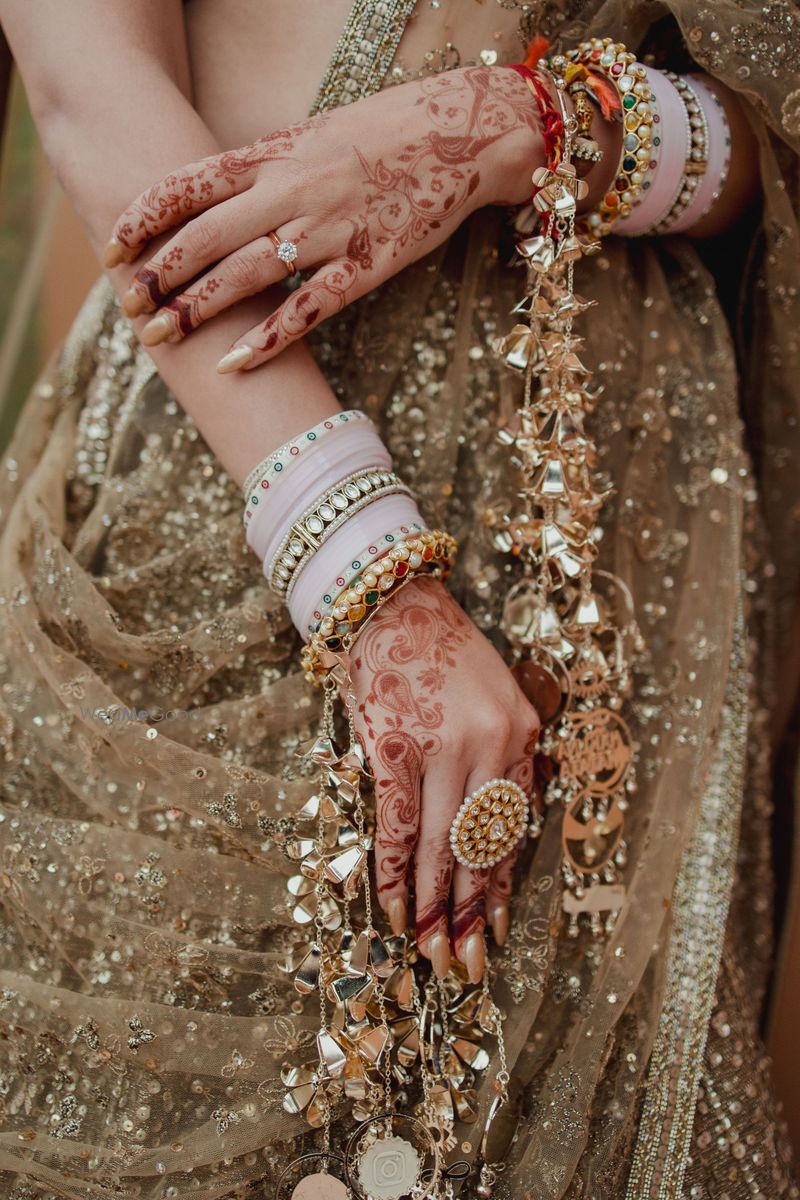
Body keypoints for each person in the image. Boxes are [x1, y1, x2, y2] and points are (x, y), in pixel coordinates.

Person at [0, 1, 797, 1196]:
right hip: (240, 462)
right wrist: (366, 574)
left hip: (601, 533)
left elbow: (760, 148)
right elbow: (91, 87)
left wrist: (515, 126)